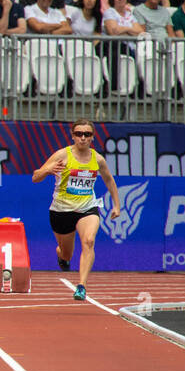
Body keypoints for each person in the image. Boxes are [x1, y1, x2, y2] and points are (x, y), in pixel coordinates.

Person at [32, 120, 121, 301]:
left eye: (87, 134)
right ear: (72, 136)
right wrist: (48, 170)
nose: (82, 138)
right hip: (61, 211)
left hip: (87, 207)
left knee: (88, 241)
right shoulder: (62, 155)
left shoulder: (97, 159)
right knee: (67, 253)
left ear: (92, 138)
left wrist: (117, 205)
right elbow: (35, 177)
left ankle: (81, 286)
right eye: (79, 134)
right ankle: (61, 255)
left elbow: (109, 180)